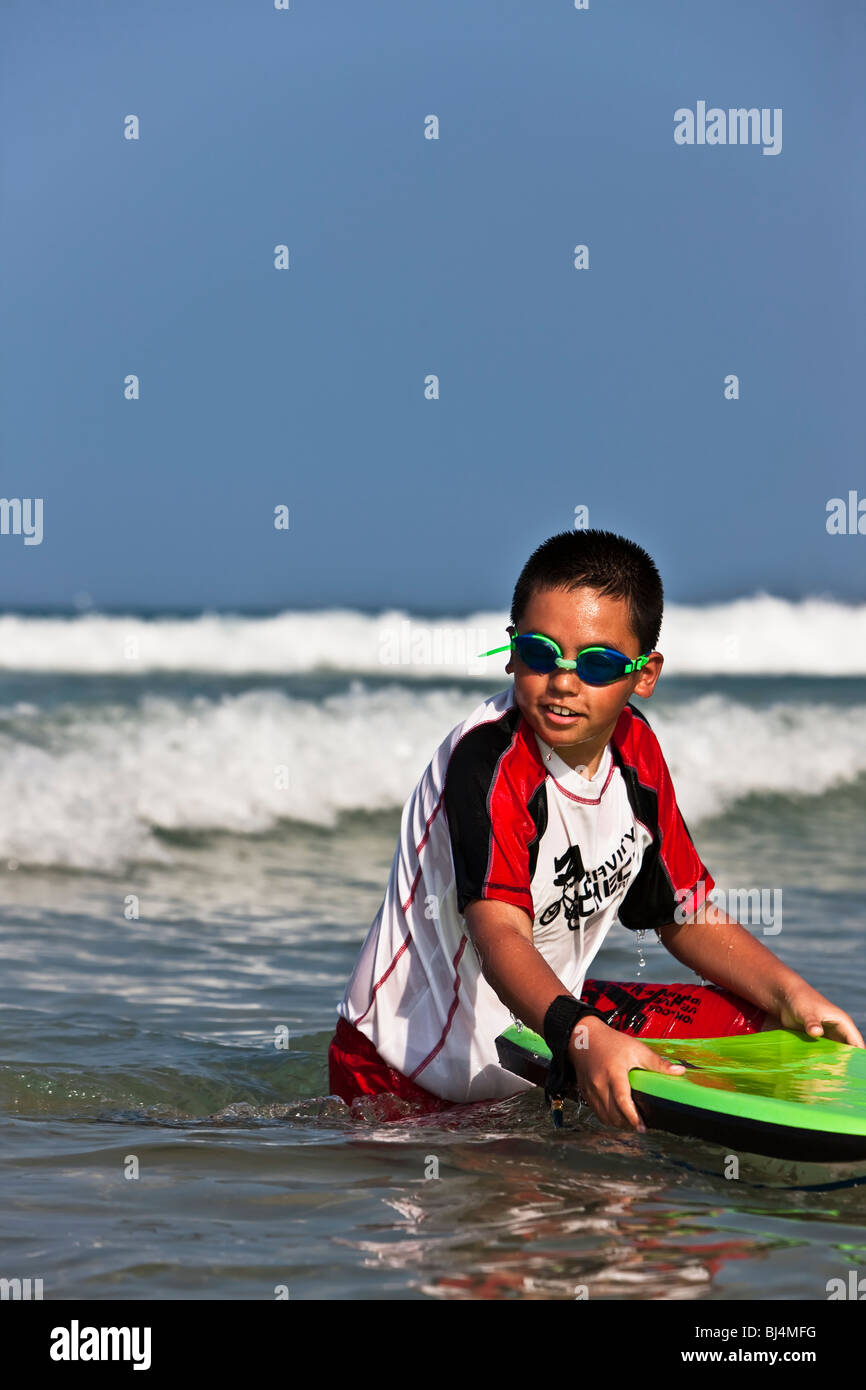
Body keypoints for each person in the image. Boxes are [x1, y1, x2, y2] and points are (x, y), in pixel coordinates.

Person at [329, 530, 864, 1130]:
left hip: (535, 1041)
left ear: (644, 674)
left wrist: (792, 993)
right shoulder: (488, 763)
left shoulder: (635, 751)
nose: (563, 681)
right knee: (533, 1207)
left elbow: (682, 911)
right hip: (409, 1074)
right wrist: (586, 1037)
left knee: (762, 1022)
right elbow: (500, 935)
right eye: (540, 653)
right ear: (511, 652)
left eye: (598, 662)